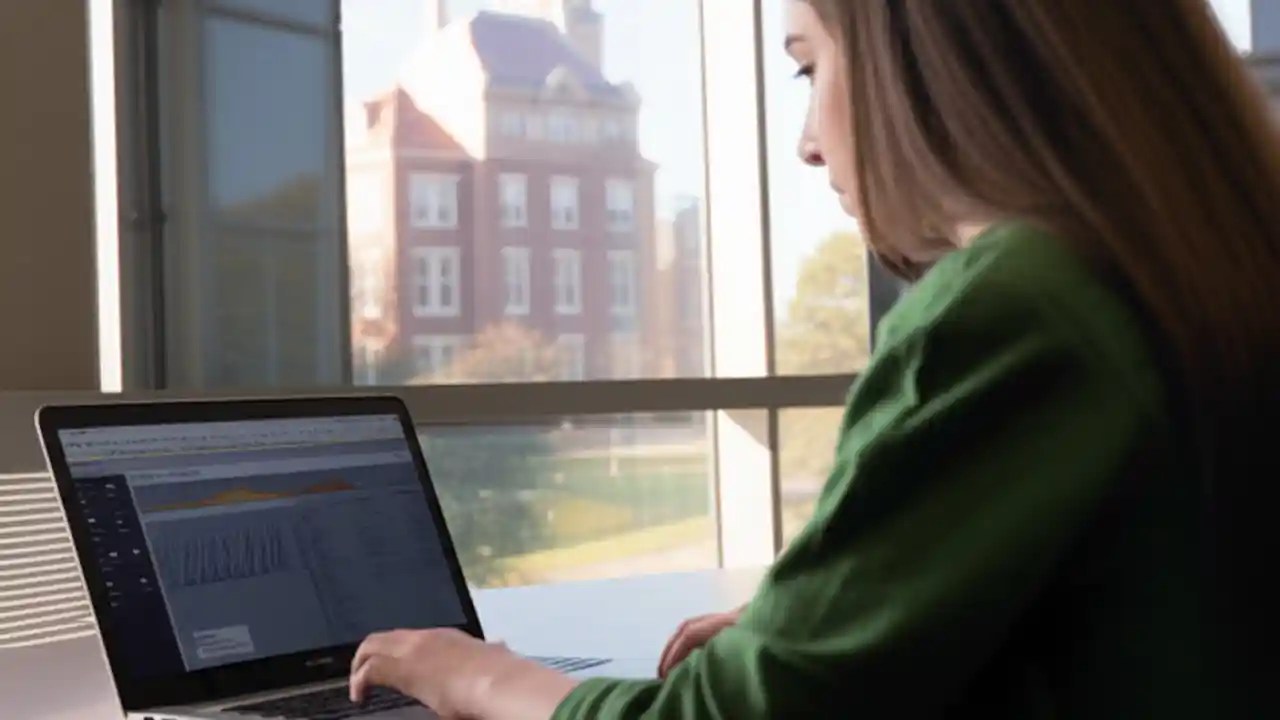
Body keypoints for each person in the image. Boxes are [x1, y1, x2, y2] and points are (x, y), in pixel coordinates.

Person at [349, 0, 1278, 716]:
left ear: (930, 61)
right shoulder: (1195, 274)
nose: (804, 144)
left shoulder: (1021, 306)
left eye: (807, 68)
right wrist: (829, 631)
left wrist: (476, 674)